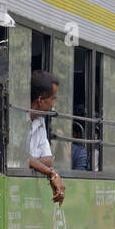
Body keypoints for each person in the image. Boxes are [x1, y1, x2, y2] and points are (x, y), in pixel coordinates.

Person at [28, 70, 64, 205]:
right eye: (52, 99)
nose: (53, 105)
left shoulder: (40, 120)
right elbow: (16, 158)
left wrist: (30, 161)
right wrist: (52, 175)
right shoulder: (15, 117)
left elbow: (48, 160)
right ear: (40, 100)